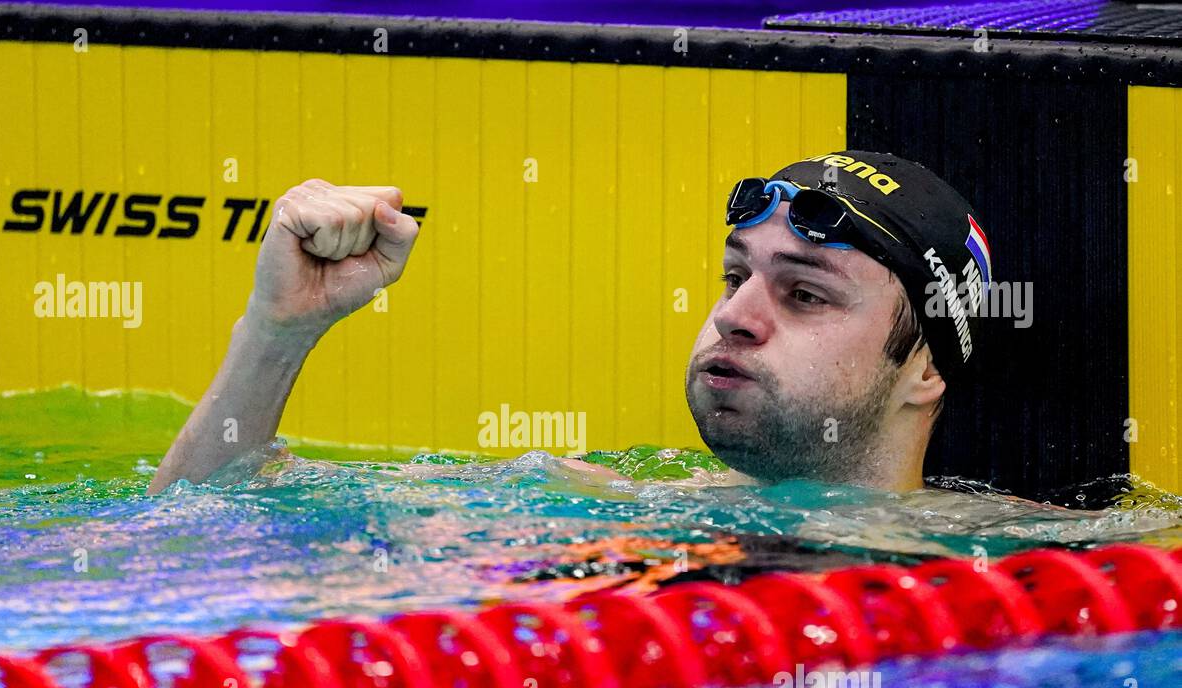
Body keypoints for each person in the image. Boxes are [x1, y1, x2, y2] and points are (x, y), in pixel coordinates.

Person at [149, 152, 993, 496]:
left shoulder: (1029, 564)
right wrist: (277, 329)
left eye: (804, 294)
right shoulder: (588, 500)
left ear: (926, 365)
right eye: (736, 277)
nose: (734, 316)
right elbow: (193, 532)